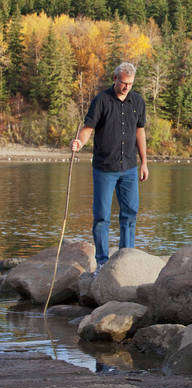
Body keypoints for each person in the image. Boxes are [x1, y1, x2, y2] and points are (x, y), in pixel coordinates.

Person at [70, 62, 148, 272]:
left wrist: (144, 163)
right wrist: (79, 142)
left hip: (130, 168)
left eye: (130, 84)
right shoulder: (101, 100)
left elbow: (140, 132)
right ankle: (102, 262)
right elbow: (88, 128)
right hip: (105, 168)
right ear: (115, 79)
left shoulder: (138, 101)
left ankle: (127, 258)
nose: (126, 87)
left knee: (130, 214)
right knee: (102, 216)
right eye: (123, 83)